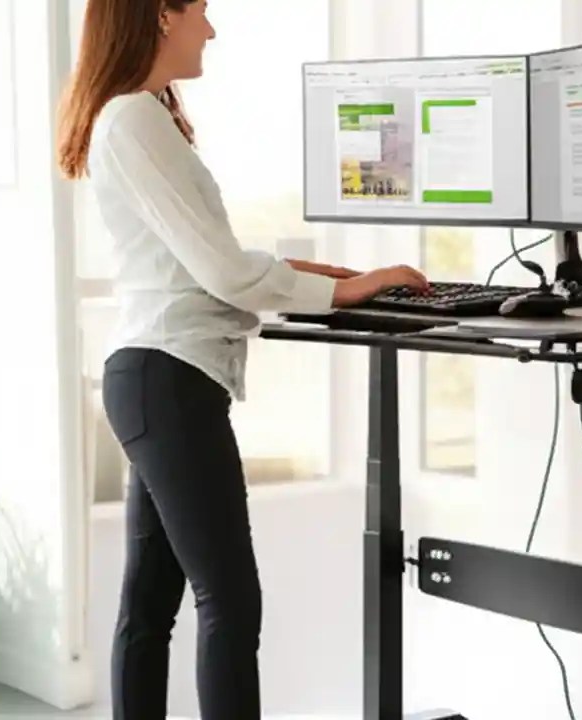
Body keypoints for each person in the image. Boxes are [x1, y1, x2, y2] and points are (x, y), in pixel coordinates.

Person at [55, 1, 430, 718]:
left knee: (150, 606)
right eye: (201, 10)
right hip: (169, 382)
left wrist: (323, 277)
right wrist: (346, 288)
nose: (211, 28)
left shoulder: (136, 115)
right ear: (161, 15)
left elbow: (200, 257)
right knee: (229, 600)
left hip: (150, 377)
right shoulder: (134, 118)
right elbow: (224, 273)